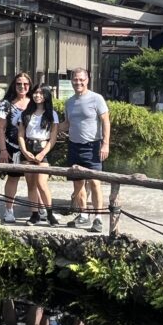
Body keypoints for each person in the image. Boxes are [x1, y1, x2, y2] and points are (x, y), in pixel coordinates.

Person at [59, 68, 110, 233]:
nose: (78, 82)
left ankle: (98, 218)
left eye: (81, 79)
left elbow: (106, 122)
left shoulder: (97, 99)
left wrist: (105, 144)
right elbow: (67, 124)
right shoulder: (69, 102)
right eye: (75, 80)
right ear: (71, 81)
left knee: (95, 183)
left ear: (87, 80)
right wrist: (49, 128)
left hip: (93, 145)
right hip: (74, 145)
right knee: (78, 184)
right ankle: (83, 215)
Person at [17, 83, 59, 225]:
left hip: (43, 149)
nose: (37, 95)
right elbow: (21, 135)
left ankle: (50, 214)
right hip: (28, 148)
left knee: (42, 183)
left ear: (46, 95)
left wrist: (42, 154)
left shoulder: (52, 114)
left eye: (41, 93)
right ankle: (34, 214)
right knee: (31, 184)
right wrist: (25, 151)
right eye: (35, 92)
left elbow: (53, 138)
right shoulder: (25, 114)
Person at [0, 72, 32, 223]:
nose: (22, 87)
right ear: (14, 85)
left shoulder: (34, 102)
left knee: (34, 180)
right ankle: (9, 210)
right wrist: (3, 150)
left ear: (29, 85)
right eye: (19, 84)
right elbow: (1, 129)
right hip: (12, 147)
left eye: (25, 84)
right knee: (13, 178)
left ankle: (37, 211)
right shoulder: (5, 104)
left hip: (32, 148)